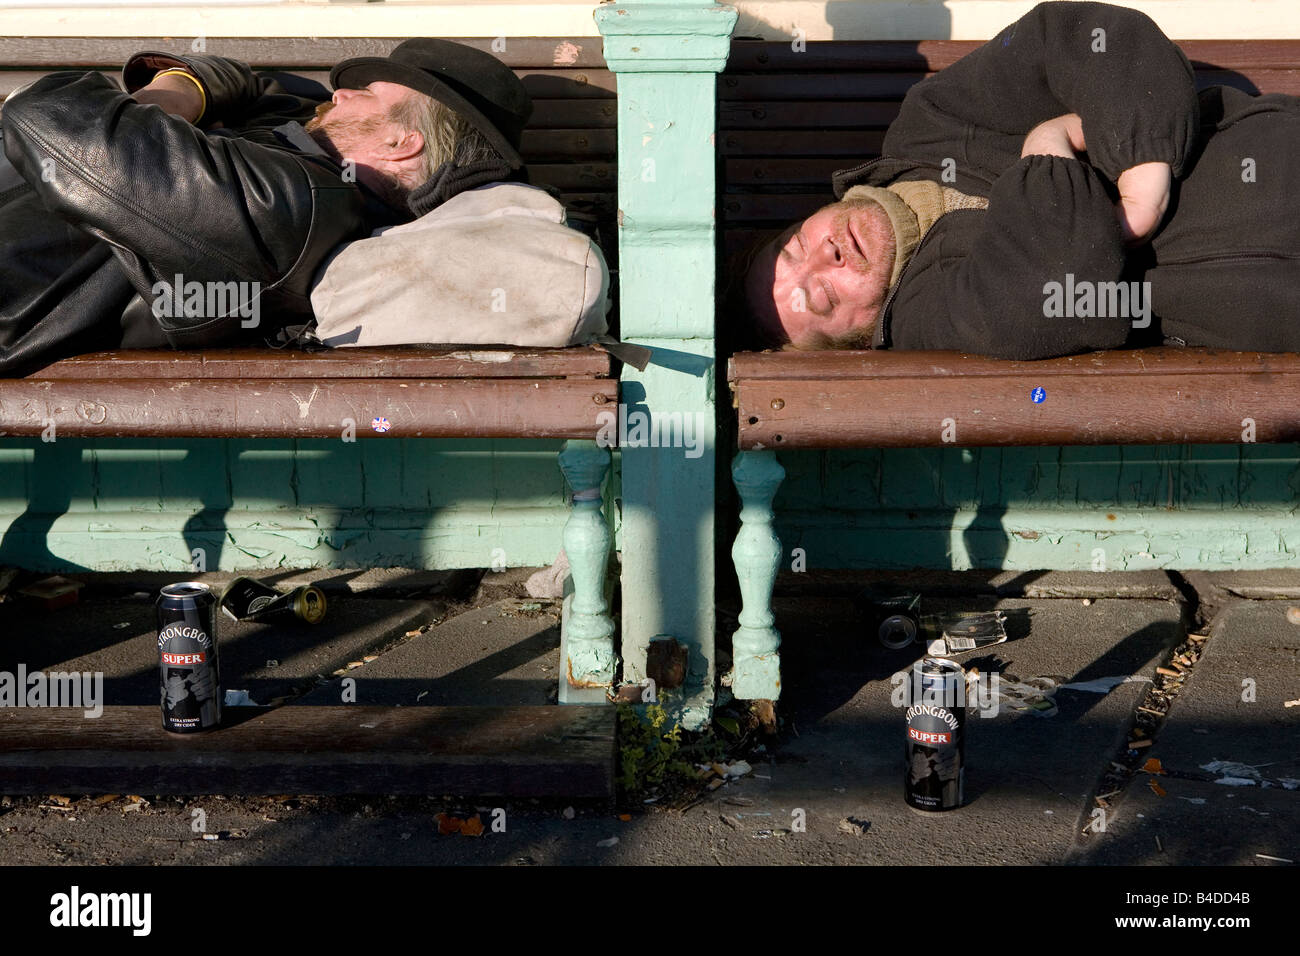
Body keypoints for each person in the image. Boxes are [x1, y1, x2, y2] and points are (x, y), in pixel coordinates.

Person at [742, 1, 1300, 361]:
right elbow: (1048, 295)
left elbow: (1078, 37)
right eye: (820, 297)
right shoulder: (925, 316)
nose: (827, 256)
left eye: (797, 248)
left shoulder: (930, 124)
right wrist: (1046, 150)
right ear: (855, 341)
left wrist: (1142, 171)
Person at [0, 38, 532, 375]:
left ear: (402, 143)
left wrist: (165, 103)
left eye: (367, 93)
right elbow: (255, 81)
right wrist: (189, 87)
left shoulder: (292, 203)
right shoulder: (300, 153)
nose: (338, 95)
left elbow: (46, 112)